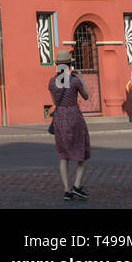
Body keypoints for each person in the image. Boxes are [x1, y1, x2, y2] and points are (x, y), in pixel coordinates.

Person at [49, 48, 91, 200]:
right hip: (74, 115)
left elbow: (54, 102)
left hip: (60, 116)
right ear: (69, 65)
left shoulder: (52, 82)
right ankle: (77, 186)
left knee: (63, 156)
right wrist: (81, 78)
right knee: (82, 152)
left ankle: (66, 190)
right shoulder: (74, 81)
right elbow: (86, 96)